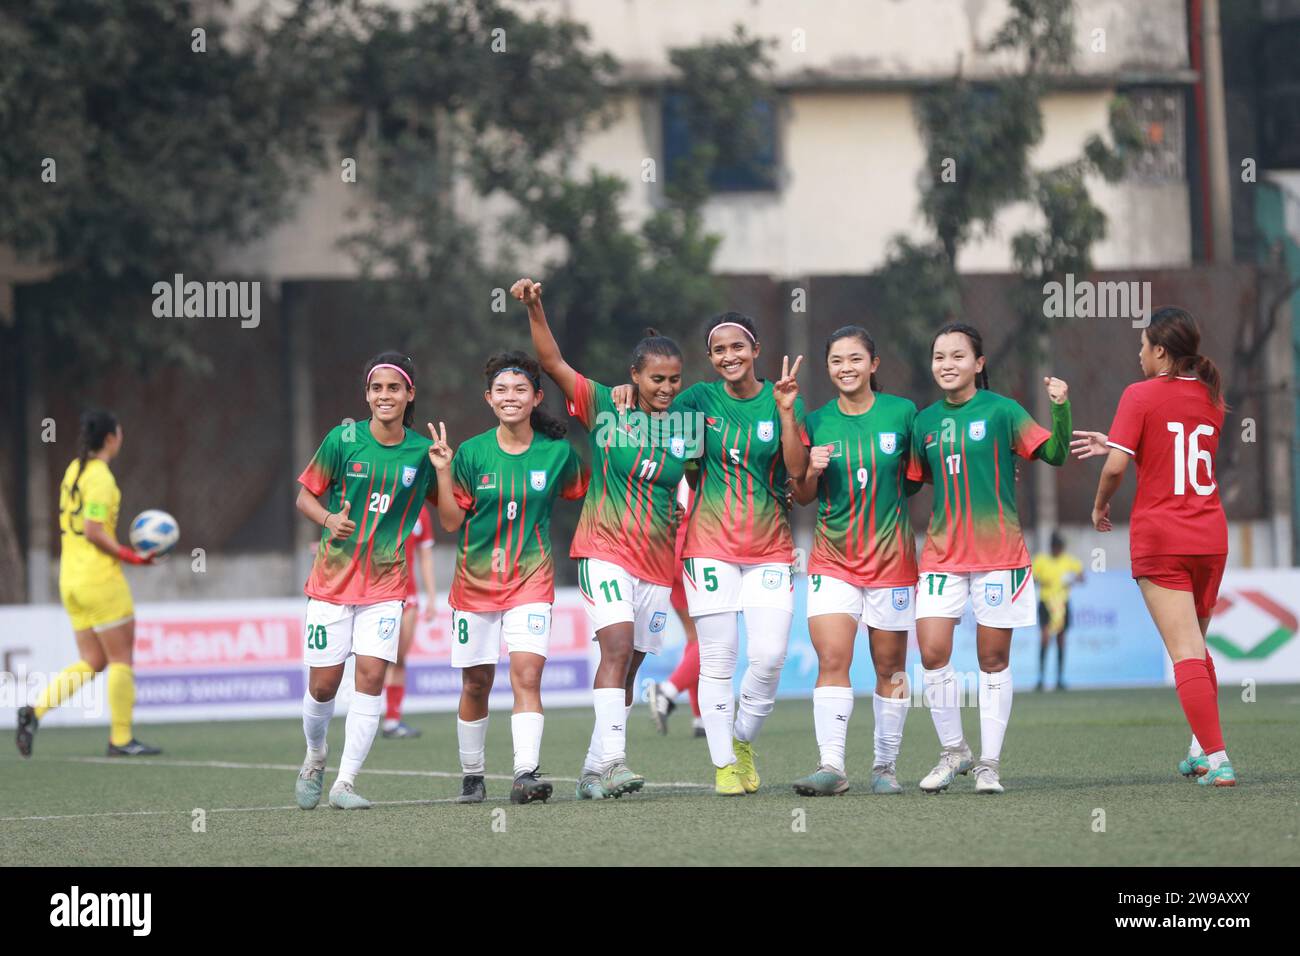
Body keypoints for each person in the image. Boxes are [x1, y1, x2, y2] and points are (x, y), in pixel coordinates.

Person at [510, 277, 696, 798]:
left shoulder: (686, 424)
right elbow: (552, 362)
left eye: (674, 379)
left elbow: (715, 477)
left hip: (659, 562)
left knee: (631, 664)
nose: (665, 387)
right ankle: (614, 762)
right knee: (614, 647)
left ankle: (592, 771)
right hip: (604, 548)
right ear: (633, 375)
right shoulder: (604, 406)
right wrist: (536, 306)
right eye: (655, 378)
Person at [1072, 306, 1235, 786]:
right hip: (1210, 535)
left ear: (1161, 351)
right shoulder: (1211, 397)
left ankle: (1221, 759)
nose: (1137, 352)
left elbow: (1118, 470)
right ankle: (1201, 751)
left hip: (1163, 537)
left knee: (1185, 653)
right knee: (1198, 650)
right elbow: (1175, 450)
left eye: (1143, 344)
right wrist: (1124, 442)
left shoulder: (1138, 394)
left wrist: (1100, 507)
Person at [907, 323, 1071, 794]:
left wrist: (1061, 408)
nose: (947, 364)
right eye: (939, 356)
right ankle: (954, 751)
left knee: (992, 660)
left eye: (958, 356)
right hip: (941, 556)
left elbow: (1057, 454)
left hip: (999, 556)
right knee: (933, 652)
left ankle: (989, 764)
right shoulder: (923, 421)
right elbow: (910, 482)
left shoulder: (1003, 411)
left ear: (979, 364)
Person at [429, 351, 589, 805]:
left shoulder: (558, 453)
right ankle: (472, 776)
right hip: (474, 586)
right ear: (488, 399)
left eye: (520, 389)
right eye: (501, 390)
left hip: (531, 581)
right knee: (476, 684)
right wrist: (443, 472)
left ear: (537, 397)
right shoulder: (472, 453)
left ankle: (525, 773)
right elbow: (448, 523)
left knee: (527, 675)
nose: (510, 397)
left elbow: (591, 493)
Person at [292, 352, 438, 810]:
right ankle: (316, 756)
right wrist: (330, 519)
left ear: (409, 394)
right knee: (323, 687)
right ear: (367, 395)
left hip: (387, 586)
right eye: (377, 388)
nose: (384, 396)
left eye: (394, 388)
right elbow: (304, 497)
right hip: (333, 583)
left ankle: (345, 783)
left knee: (371, 677)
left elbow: (450, 517)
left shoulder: (421, 451)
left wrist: (446, 467)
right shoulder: (343, 438)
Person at [674, 312, 810, 795]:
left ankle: (742, 740)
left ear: (756, 350)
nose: (729, 357)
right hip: (708, 548)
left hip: (771, 548)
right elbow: (689, 466)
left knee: (770, 655)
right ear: (710, 358)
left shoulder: (781, 398)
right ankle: (725, 765)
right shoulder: (695, 401)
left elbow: (797, 473)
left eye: (738, 347)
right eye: (718, 351)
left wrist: (789, 412)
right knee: (717, 660)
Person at [789, 326, 920, 796]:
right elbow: (801, 495)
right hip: (831, 560)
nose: (845, 368)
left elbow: (913, 479)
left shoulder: (902, 414)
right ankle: (831, 767)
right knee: (832, 657)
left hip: (892, 562)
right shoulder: (816, 421)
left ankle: (885, 766)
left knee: (891, 668)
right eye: (836, 361)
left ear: (874, 364)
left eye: (854, 359)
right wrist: (811, 470)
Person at [16, 410, 161, 758]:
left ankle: (33, 713)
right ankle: (121, 739)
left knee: (93, 659)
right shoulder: (101, 478)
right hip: (99, 579)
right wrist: (131, 556)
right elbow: (95, 531)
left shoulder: (74, 470)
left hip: (71, 579)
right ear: (111, 438)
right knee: (121, 656)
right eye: (120, 431)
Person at [647, 480, 705, 738]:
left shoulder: (669, 458)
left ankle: (701, 717)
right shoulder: (704, 454)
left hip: (666, 550)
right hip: (695, 549)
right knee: (713, 638)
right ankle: (668, 691)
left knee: (695, 638)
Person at [382, 503, 437, 738]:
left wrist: (432, 597)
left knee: (399, 657)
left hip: (409, 595)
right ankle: (367, 716)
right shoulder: (382, 503)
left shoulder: (420, 512)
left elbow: (425, 556)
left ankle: (392, 720)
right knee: (376, 660)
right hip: (379, 594)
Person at [1031, 531, 1083, 691]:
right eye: (1055, 547)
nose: (1057, 550)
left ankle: (1060, 678)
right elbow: (1032, 577)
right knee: (1045, 638)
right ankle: (1041, 678)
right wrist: (1041, 580)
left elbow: (1081, 577)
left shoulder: (1068, 561)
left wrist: (1072, 578)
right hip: (1047, 602)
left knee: (1061, 638)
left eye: (1059, 547)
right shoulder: (1041, 560)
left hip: (1062, 603)